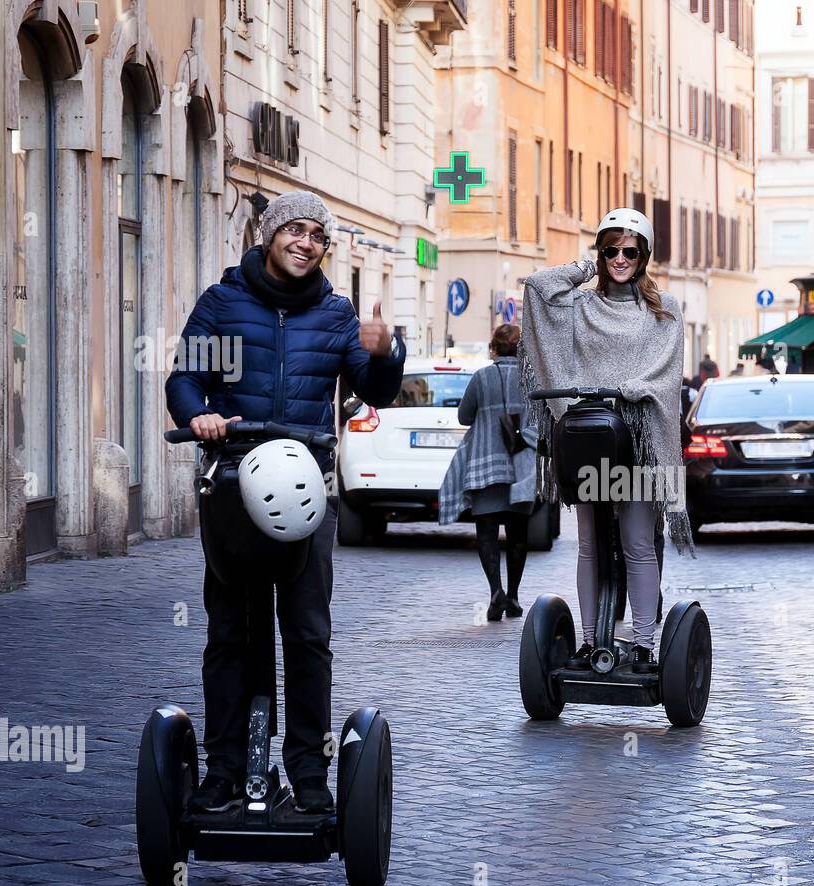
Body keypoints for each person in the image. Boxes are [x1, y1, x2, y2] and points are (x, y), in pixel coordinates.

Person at [166, 190, 405, 814]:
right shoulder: (223, 302)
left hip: (305, 498)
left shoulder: (335, 314)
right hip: (231, 489)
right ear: (267, 235)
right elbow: (184, 378)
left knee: (305, 636)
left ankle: (307, 777)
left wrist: (384, 351)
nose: (305, 243)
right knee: (230, 636)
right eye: (294, 230)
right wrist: (202, 416)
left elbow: (375, 388)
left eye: (316, 235)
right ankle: (222, 773)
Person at [519, 207, 690, 674]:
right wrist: (582, 265)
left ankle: (643, 645)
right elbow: (537, 288)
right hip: (591, 438)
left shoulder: (665, 310)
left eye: (629, 251)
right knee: (590, 543)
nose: (619, 259)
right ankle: (590, 640)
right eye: (609, 250)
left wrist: (632, 389)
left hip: (640, 438)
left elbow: (665, 373)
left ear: (645, 256)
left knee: (636, 542)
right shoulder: (580, 305)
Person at [439, 323, 537, 620]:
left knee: (487, 531)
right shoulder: (532, 380)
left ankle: (496, 592)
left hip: (485, 462)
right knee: (518, 534)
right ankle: (516, 597)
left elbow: (464, 415)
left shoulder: (481, 377)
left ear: (493, 347)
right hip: (522, 466)